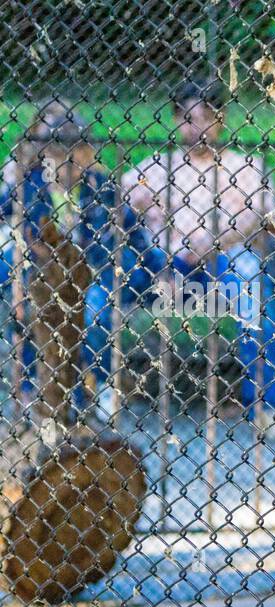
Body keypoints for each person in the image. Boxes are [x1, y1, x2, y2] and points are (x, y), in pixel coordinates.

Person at [122, 81, 275, 407]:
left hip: (222, 263)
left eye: (206, 117)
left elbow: (270, 220)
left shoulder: (246, 166)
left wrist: (215, 242)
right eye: (188, 118)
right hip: (163, 267)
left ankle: (267, 406)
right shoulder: (156, 166)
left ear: (221, 119)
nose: (197, 127)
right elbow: (115, 207)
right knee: (111, 274)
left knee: (249, 274)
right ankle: (100, 394)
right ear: (175, 119)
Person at [0, 104, 165, 414]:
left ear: (86, 152)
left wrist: (160, 270)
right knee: (33, 311)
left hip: (93, 273)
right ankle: (31, 388)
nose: (66, 163)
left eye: (74, 152)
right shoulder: (29, 185)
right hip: (44, 275)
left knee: (94, 313)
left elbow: (134, 234)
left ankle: (98, 385)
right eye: (58, 153)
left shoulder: (101, 187)